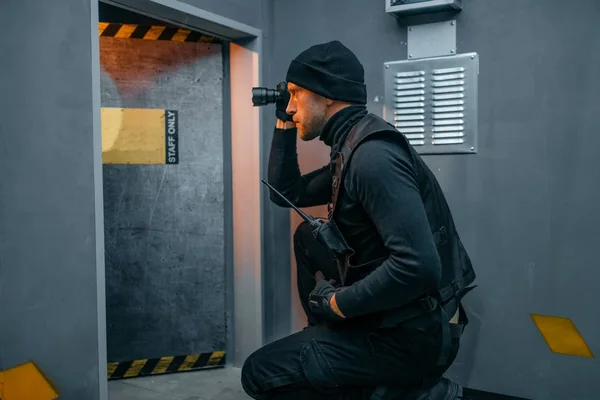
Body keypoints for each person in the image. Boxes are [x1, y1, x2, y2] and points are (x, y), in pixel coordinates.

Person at [241, 40, 476, 400]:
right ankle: (331, 346)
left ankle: (416, 393)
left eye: (295, 94)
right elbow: (285, 191)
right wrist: (283, 121)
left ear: (328, 95)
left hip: (418, 334)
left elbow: (418, 266)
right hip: (406, 315)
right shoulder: (350, 146)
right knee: (309, 236)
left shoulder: (372, 158)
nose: (290, 106)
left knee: (260, 373)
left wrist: (338, 304)